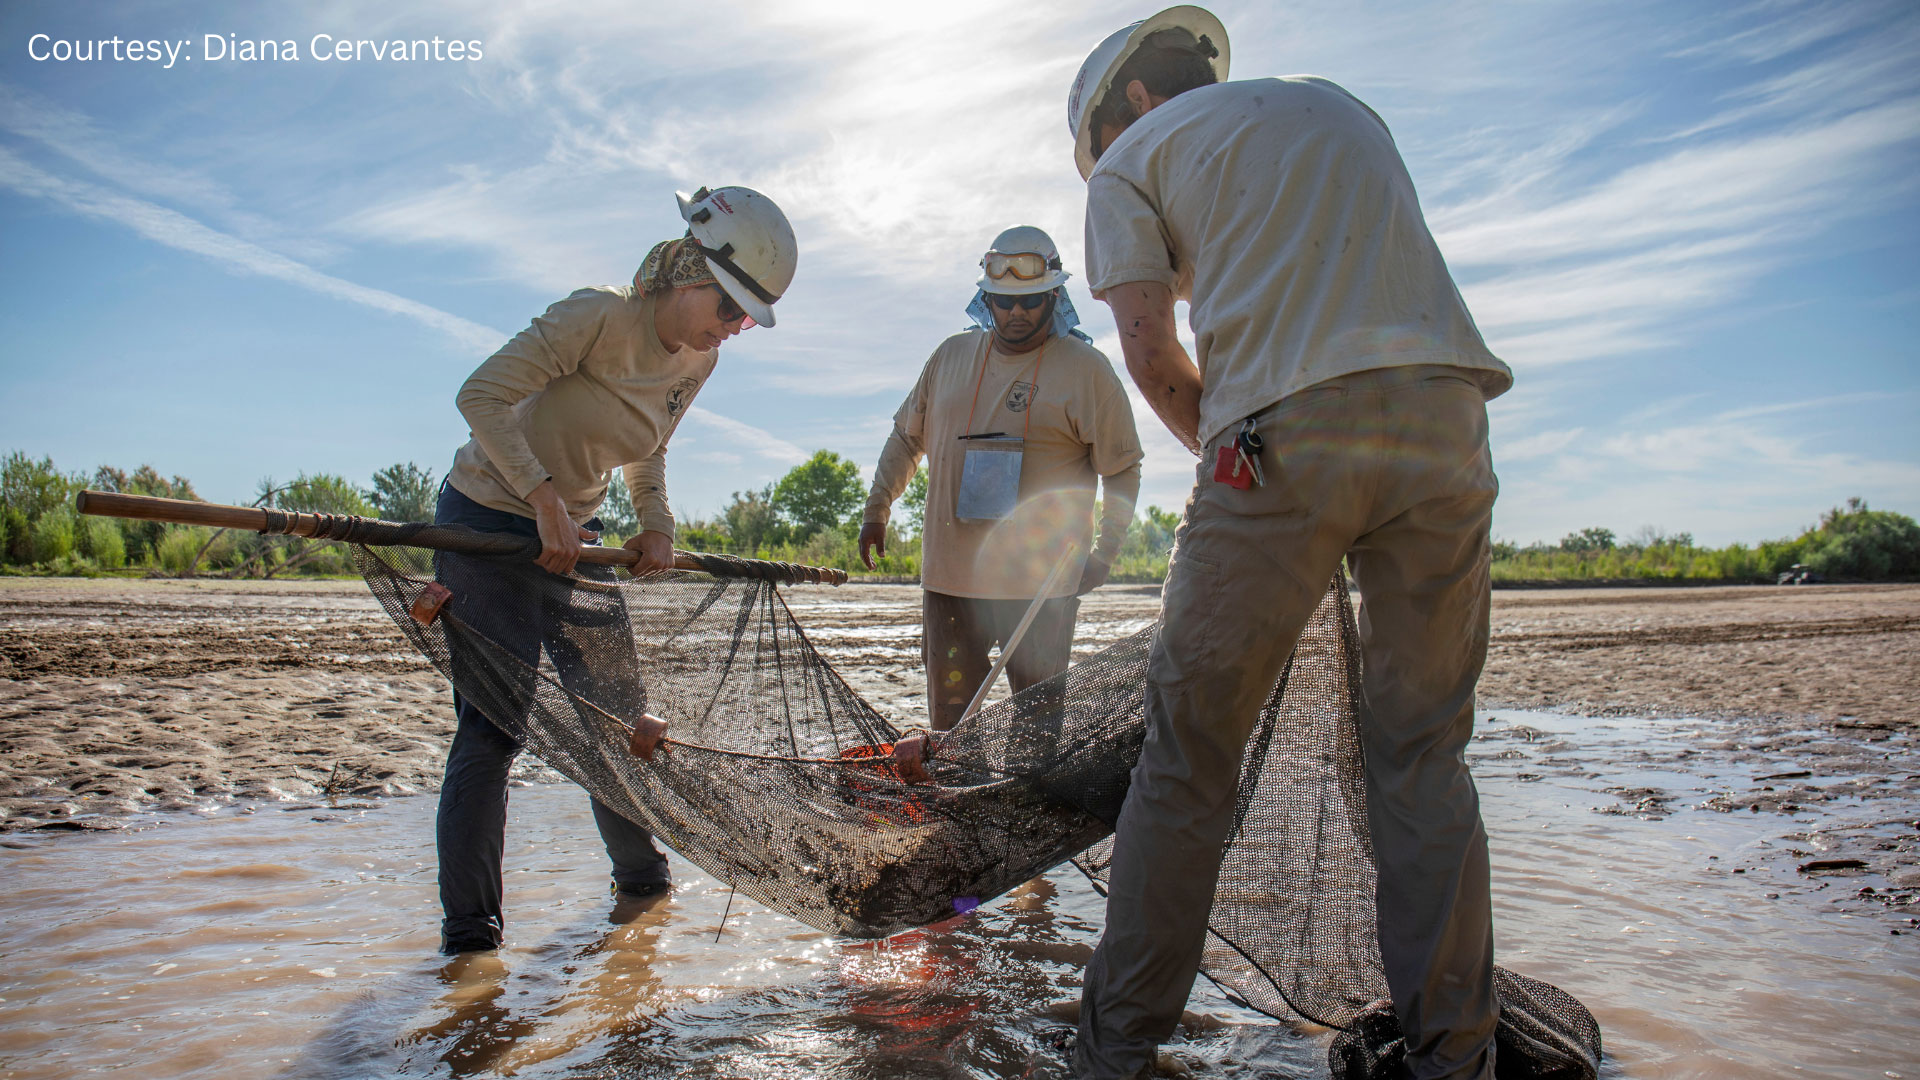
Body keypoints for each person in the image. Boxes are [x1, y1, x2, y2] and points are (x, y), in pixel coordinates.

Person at [1063, 8, 1515, 1079]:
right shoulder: (1335, 105)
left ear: (1127, 102)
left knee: (1186, 761)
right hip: (1446, 421)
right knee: (1424, 757)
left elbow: (1147, 343)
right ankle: (1457, 1057)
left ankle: (1114, 1057)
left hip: (1281, 432)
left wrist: (1225, 459)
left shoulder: (1128, 162)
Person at [432, 185, 798, 954]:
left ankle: (644, 893)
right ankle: (471, 943)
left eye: (744, 321)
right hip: (487, 523)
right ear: (691, 275)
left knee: (621, 722)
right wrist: (540, 499)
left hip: (579, 539)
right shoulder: (596, 316)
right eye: (728, 310)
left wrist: (656, 524)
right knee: (495, 728)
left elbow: (648, 448)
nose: (732, 331)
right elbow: (481, 394)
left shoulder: (698, 363)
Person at [859, 226, 1143, 733]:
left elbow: (1121, 468)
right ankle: (956, 806)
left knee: (1036, 729)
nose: (1016, 313)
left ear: (1055, 296)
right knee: (950, 725)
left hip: (1039, 588)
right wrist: (876, 508)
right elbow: (906, 439)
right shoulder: (949, 358)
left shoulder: (1086, 371)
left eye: (1031, 301)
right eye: (1003, 300)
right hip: (951, 583)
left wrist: (1104, 552)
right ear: (984, 296)